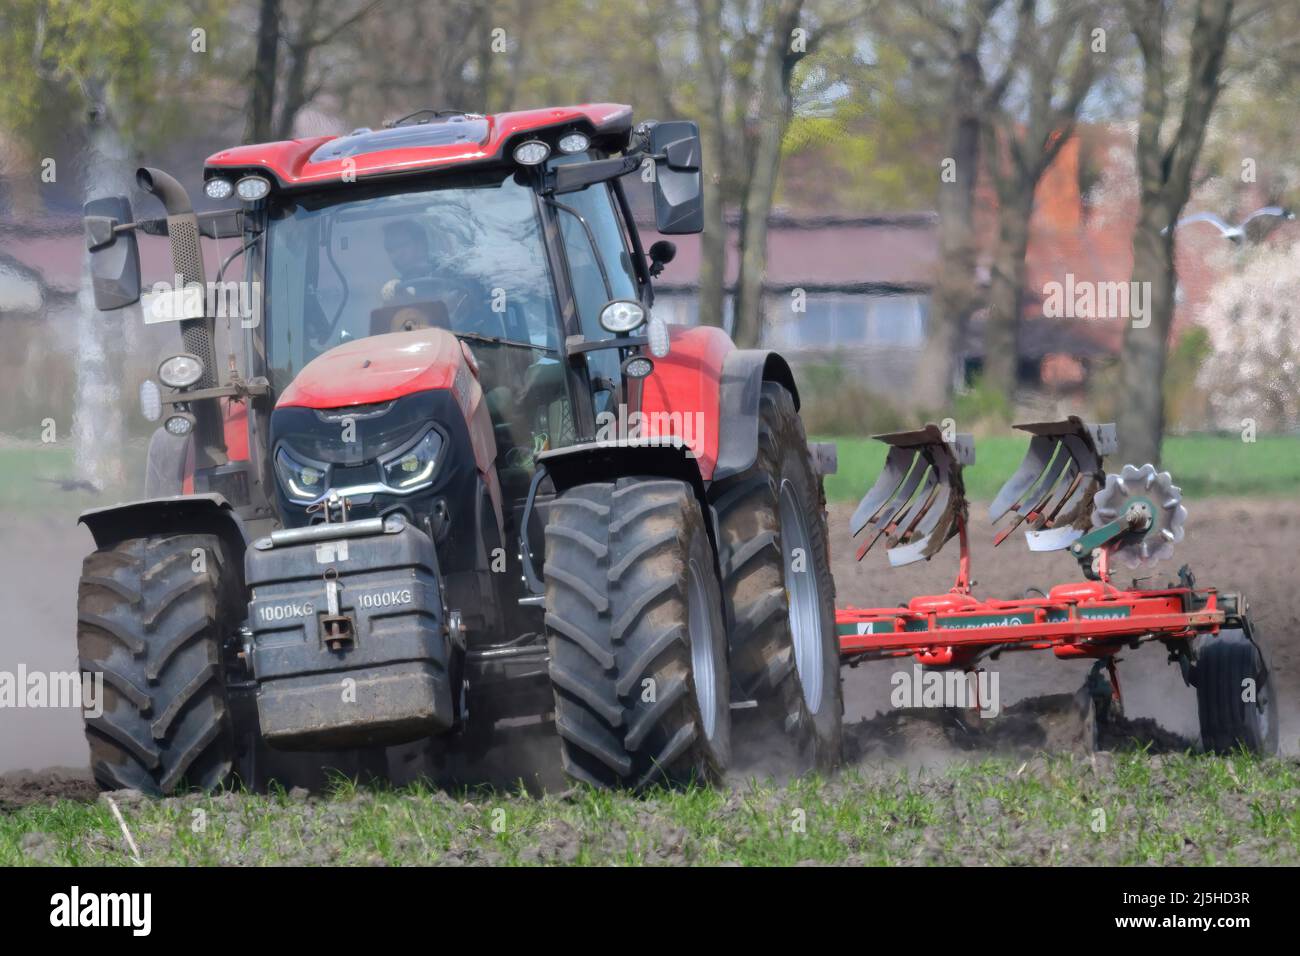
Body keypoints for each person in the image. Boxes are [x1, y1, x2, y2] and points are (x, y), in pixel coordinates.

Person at [380, 218, 434, 302]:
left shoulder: (450, 272)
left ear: (421, 244)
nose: (397, 254)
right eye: (391, 249)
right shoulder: (395, 290)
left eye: (403, 245)